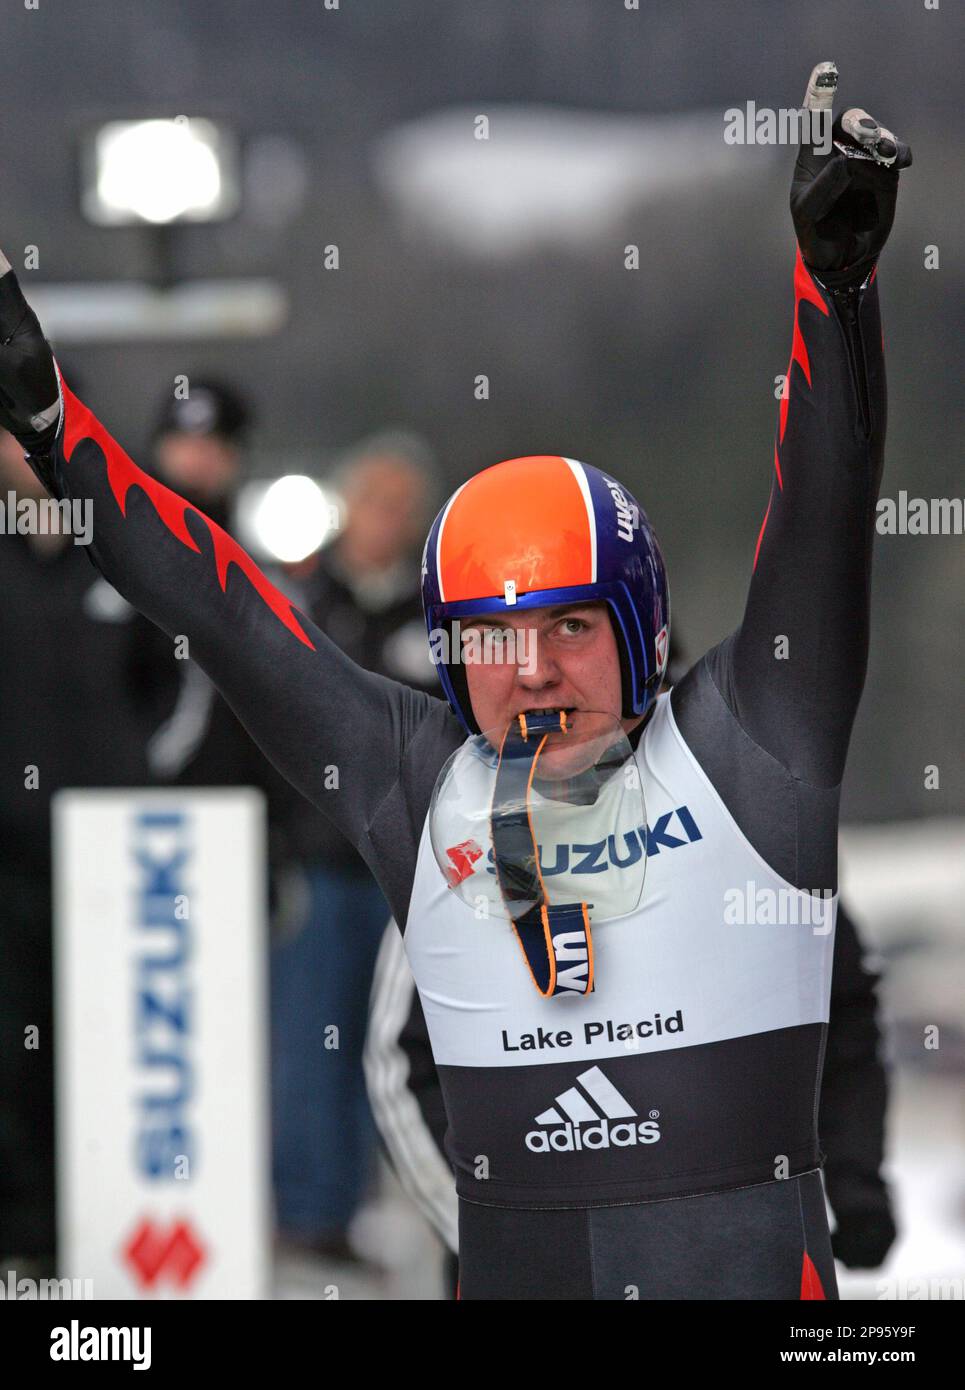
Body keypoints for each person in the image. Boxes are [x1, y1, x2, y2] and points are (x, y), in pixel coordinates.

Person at [0, 65, 911, 1299]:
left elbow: (822, 512)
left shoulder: (757, 743)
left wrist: (835, 287)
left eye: (572, 627)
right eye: (487, 637)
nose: (529, 671)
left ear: (642, 631)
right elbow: (224, 613)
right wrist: (57, 428)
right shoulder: (412, 782)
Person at [271, 432, 439, 1260]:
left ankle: (422, 1212)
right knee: (313, 1042)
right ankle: (313, 1216)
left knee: (410, 1049)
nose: (388, 520)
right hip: (321, 855)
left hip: (411, 865)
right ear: (347, 505)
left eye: (402, 507)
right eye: (376, 501)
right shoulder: (300, 597)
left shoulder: (435, 609)